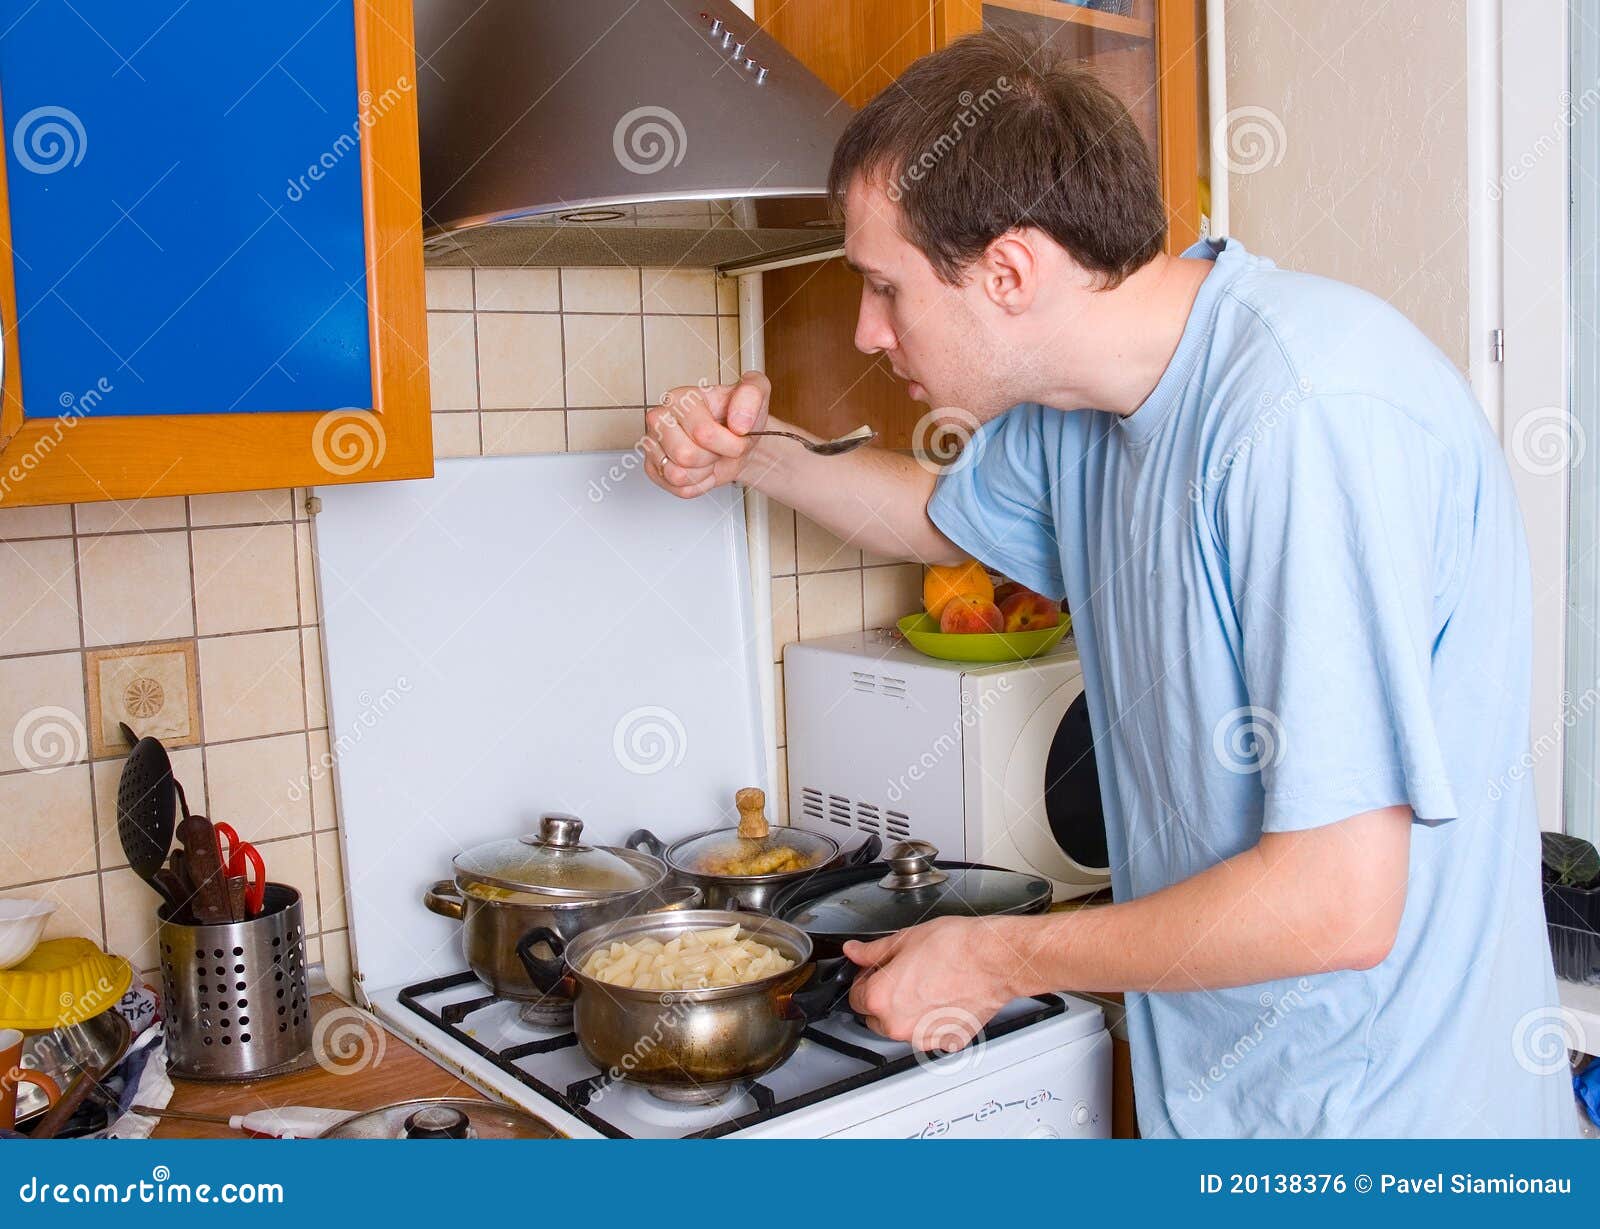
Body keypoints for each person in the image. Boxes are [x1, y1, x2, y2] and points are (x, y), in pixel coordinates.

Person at [640, 29, 1575, 1137]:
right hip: (1229, 1093)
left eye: (883, 286)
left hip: (1392, 1129)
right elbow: (935, 519)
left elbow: (1335, 903)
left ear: (1010, 271)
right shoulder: (1082, 417)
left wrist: (995, 953)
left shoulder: (1305, 419)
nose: (866, 328)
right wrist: (751, 453)